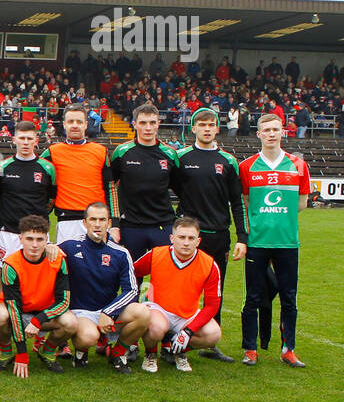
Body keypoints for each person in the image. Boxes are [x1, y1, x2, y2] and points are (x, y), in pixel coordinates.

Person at [172, 107, 246, 363]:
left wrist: (242, 238)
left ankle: (210, 343)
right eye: (201, 124)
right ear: (193, 128)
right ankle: (173, 340)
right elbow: (169, 188)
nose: (206, 128)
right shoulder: (180, 158)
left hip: (218, 236)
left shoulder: (228, 161)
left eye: (210, 124)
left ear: (217, 129)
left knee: (215, 290)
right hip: (188, 239)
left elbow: (237, 202)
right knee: (181, 289)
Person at [238, 113, 311, 367]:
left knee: (289, 298)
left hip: (288, 242)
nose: (271, 134)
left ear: (283, 132)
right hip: (257, 243)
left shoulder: (299, 165)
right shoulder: (246, 166)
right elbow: (247, 203)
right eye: (266, 130)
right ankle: (250, 349)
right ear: (258, 134)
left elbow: (302, 204)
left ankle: (288, 349)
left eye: (275, 129)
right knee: (253, 297)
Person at [58, 202, 151, 374]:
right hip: (82, 312)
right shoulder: (69, 246)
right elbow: (40, 254)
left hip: (110, 312)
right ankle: (81, 351)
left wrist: (108, 312)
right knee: (88, 338)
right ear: (85, 223)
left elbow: (131, 290)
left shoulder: (121, 253)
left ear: (109, 223)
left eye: (102, 219)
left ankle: (118, 353)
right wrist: (49, 246)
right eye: (93, 219)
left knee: (143, 313)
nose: (97, 224)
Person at [0, 215, 79, 378]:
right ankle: (6, 351)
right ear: (20, 239)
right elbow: (14, 308)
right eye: (29, 238)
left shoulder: (58, 260)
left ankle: (48, 351)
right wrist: (22, 353)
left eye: (40, 239)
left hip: (45, 313)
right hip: (18, 311)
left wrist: (38, 320)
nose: (35, 244)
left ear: (47, 240)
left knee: (71, 322)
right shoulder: (10, 264)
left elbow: (64, 302)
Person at [132, 217, 223, 373]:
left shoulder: (209, 264)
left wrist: (188, 332)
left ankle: (179, 351)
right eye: (181, 237)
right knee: (156, 328)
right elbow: (132, 271)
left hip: (187, 314)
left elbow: (213, 305)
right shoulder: (156, 254)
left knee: (213, 334)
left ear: (198, 241)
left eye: (191, 238)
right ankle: (151, 355)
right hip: (158, 308)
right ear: (172, 238)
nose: (186, 242)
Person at [108, 104, 178, 263]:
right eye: (143, 123)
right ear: (134, 124)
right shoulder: (122, 152)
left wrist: (180, 216)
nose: (148, 127)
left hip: (163, 225)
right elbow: (111, 186)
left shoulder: (170, 154)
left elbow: (182, 189)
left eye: (152, 123)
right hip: (131, 226)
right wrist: (115, 223)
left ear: (158, 124)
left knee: (163, 276)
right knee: (132, 276)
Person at [40, 104, 110, 244]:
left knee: (98, 265)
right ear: (64, 124)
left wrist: (114, 221)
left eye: (79, 122)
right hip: (67, 220)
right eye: (71, 121)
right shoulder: (52, 152)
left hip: (96, 220)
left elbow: (110, 187)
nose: (75, 125)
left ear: (86, 124)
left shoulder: (101, 151)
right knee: (68, 264)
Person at [0, 120, 56, 268]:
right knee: (5, 284)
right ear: (14, 140)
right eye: (21, 138)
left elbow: (51, 199)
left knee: (37, 282)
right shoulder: (1, 167)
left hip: (37, 234)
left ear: (36, 140)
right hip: (9, 232)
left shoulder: (48, 168)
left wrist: (39, 217)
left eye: (29, 138)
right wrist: (3, 218)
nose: (25, 142)